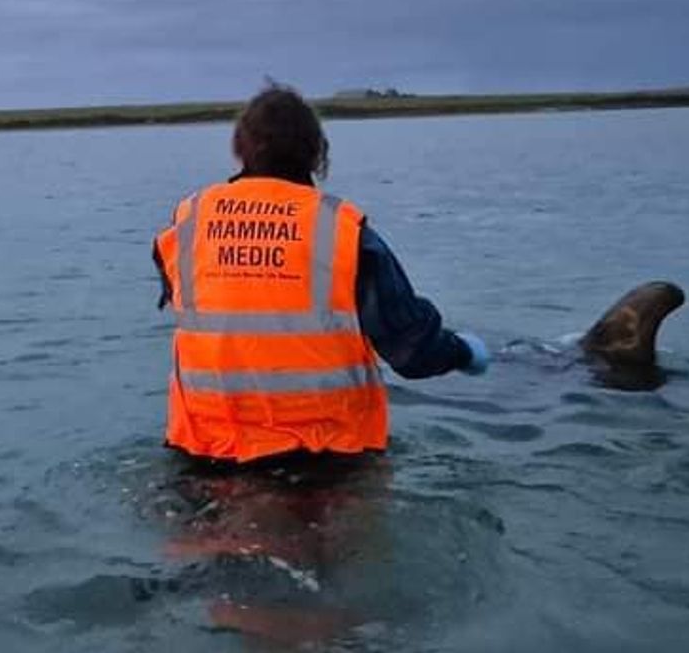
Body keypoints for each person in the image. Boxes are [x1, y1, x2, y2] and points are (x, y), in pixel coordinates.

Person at [153, 82, 488, 463]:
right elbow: (411, 353)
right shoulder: (344, 232)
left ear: (239, 148)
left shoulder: (189, 221)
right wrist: (464, 353)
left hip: (204, 454)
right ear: (317, 154)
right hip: (325, 457)